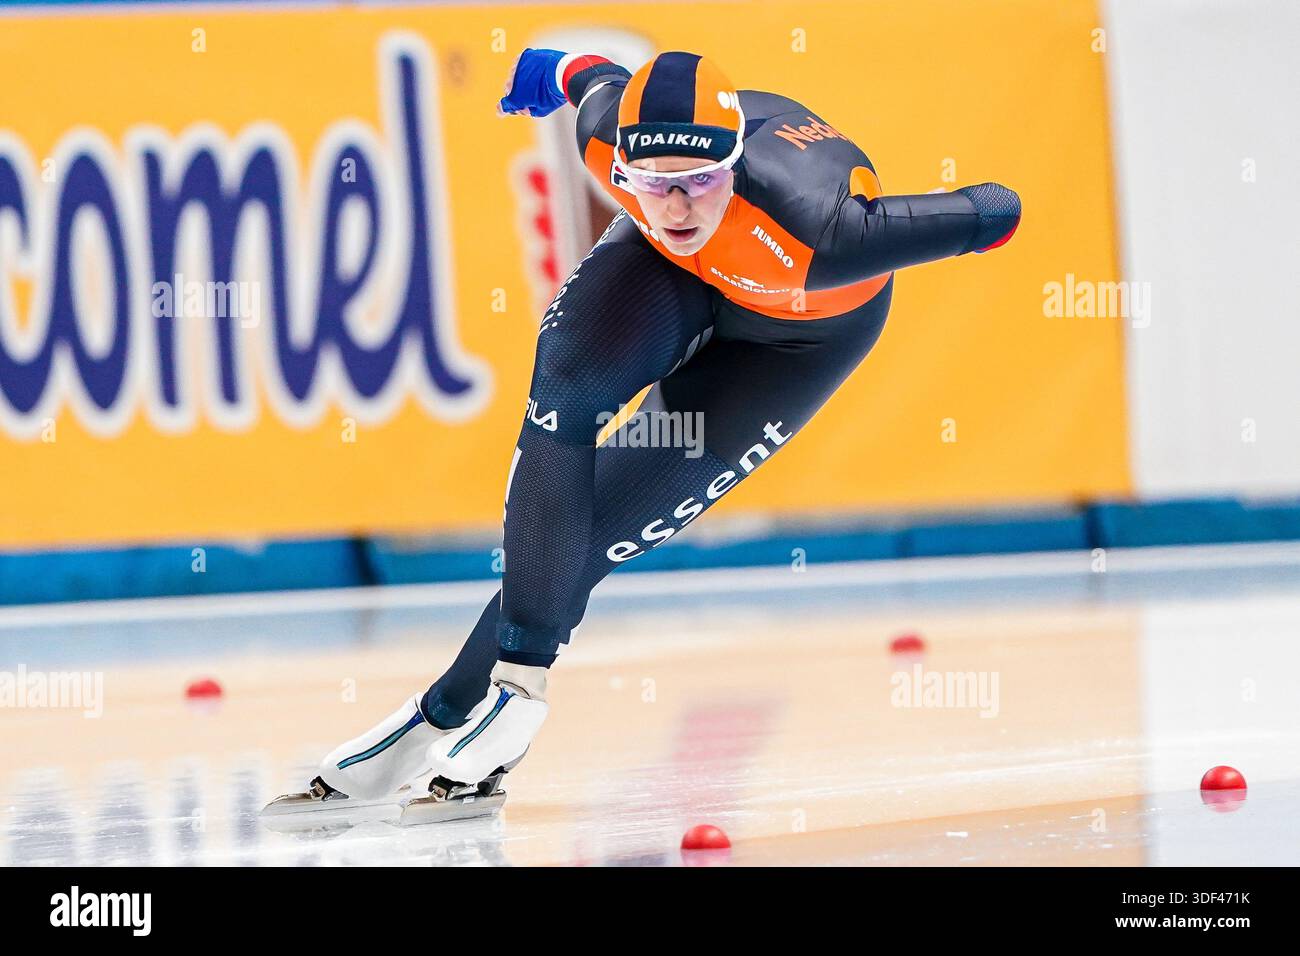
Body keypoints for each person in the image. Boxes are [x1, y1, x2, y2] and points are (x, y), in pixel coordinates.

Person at [264, 48, 1020, 821]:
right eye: (654, 183)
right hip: (670, 277)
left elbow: (995, 207)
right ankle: (500, 697)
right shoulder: (605, 136)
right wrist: (545, 70)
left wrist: (975, 222)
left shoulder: (827, 231)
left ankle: (442, 713)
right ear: (619, 167)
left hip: (794, 341)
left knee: (592, 539)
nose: (681, 207)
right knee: (563, 397)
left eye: (702, 181)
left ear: (736, 166)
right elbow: (588, 74)